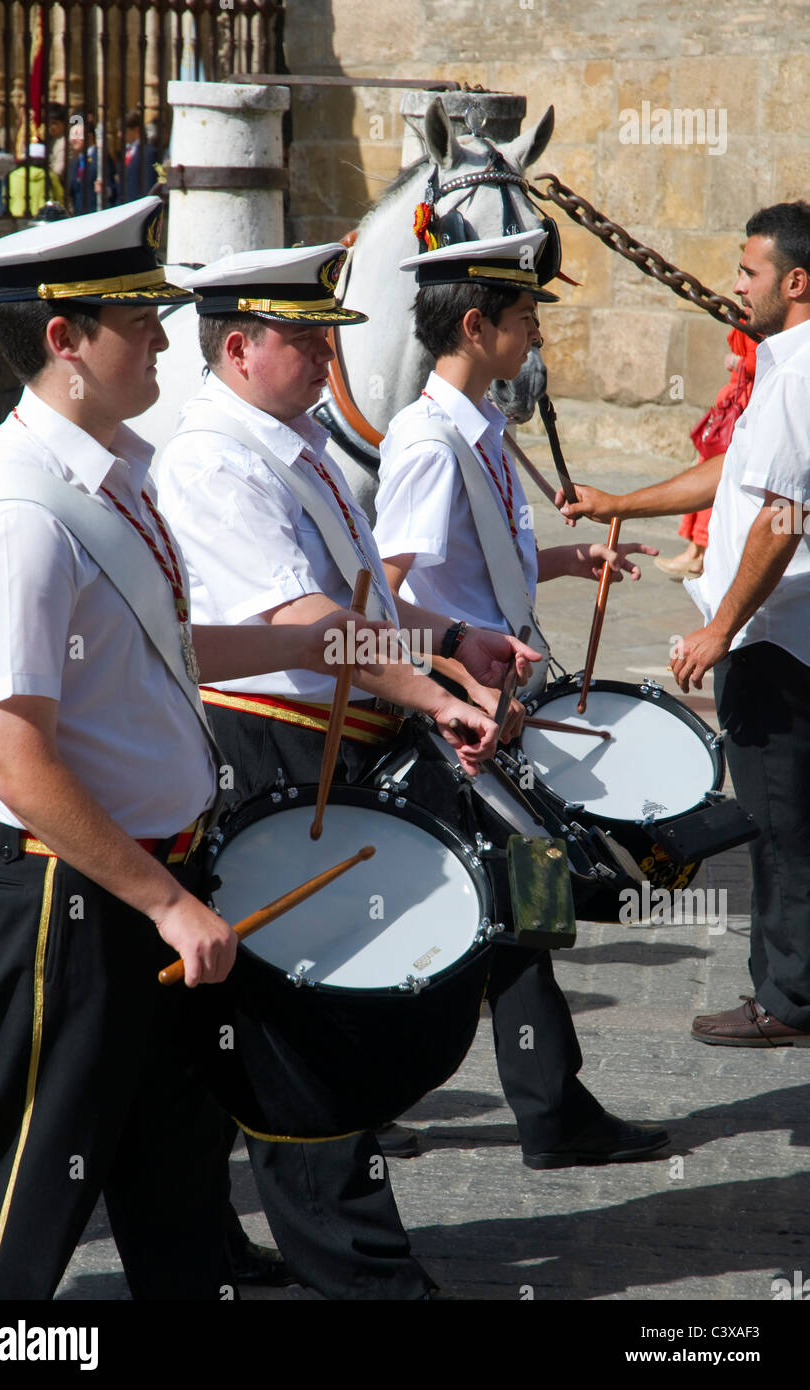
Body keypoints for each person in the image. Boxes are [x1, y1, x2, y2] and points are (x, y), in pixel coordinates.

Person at [0, 198, 382, 1300]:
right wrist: (165, 903)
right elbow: (14, 756)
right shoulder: (17, 513)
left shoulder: (112, 467)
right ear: (63, 340)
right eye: (137, 319)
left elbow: (167, 649)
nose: (159, 339)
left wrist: (358, 644)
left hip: (145, 873)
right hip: (70, 893)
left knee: (176, 1177)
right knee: (28, 1190)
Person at [157, 243, 534, 1300]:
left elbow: (362, 603)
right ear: (237, 347)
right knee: (304, 1021)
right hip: (265, 748)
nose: (329, 356)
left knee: (229, 1026)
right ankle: (365, 1278)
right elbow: (307, 627)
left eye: (330, 336)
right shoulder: (214, 458)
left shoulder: (296, 440)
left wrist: (451, 636)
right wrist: (438, 694)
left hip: (327, 746)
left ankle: (194, 1245)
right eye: (305, 338)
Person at [372, 229, 668, 1169]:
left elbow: (474, 564)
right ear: (476, 325)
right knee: (489, 909)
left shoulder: (479, 426)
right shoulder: (428, 442)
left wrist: (568, 560)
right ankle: (367, 1090)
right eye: (526, 315)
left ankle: (548, 1109)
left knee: (521, 912)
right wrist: (459, 673)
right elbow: (390, 589)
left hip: (491, 700)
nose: (537, 331)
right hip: (454, 713)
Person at [559, 201, 810, 1048]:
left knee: (779, 829)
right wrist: (617, 503)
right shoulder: (785, 368)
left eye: (748, 272)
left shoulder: (800, 376)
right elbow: (732, 475)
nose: (735, 285)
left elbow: (780, 519)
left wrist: (719, 629)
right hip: (776, 639)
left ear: (795, 282)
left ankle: (788, 1001)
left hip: (774, 645)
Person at [655, 327, 757, 580]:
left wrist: (736, 361)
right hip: (734, 404)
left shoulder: (766, 316)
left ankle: (698, 553)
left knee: (714, 479)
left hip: (741, 407)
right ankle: (695, 550)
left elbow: (760, 361)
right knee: (706, 473)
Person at [121, 109, 159, 203]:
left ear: (136, 130)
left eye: (124, 131)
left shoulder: (148, 152)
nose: (119, 135)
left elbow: (149, 186)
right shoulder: (125, 152)